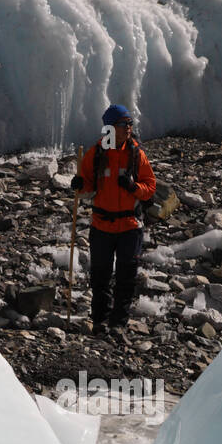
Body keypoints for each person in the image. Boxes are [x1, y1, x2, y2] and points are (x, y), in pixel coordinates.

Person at [71, 104, 156, 334]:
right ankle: (100, 321)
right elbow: (87, 189)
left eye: (130, 124)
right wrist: (79, 185)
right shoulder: (96, 153)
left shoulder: (137, 154)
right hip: (102, 224)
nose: (128, 128)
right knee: (100, 276)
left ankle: (118, 323)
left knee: (126, 278)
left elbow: (150, 188)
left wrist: (133, 187)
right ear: (110, 127)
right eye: (123, 124)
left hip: (129, 225)